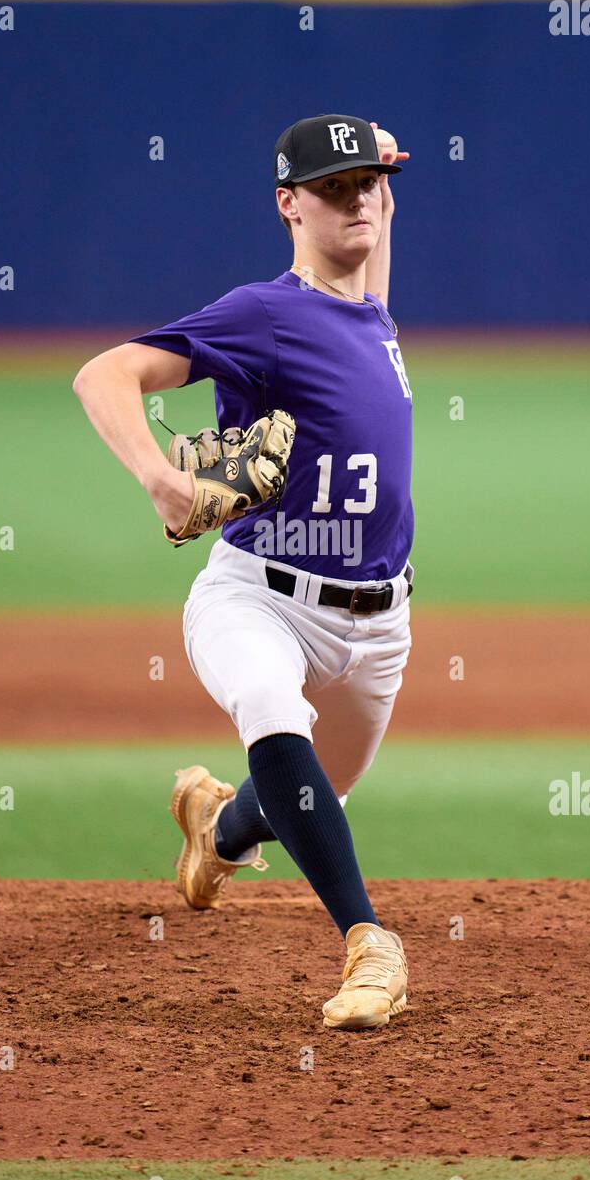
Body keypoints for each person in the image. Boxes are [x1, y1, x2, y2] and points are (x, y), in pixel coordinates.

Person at [73, 114, 415, 1030]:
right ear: (288, 205)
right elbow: (104, 375)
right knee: (272, 715)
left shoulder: (370, 308)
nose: (357, 200)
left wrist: (379, 160)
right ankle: (369, 946)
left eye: (367, 185)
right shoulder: (264, 313)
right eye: (332, 188)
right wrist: (159, 477)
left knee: (300, 797)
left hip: (381, 623)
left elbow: (376, 219)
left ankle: (213, 830)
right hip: (257, 597)